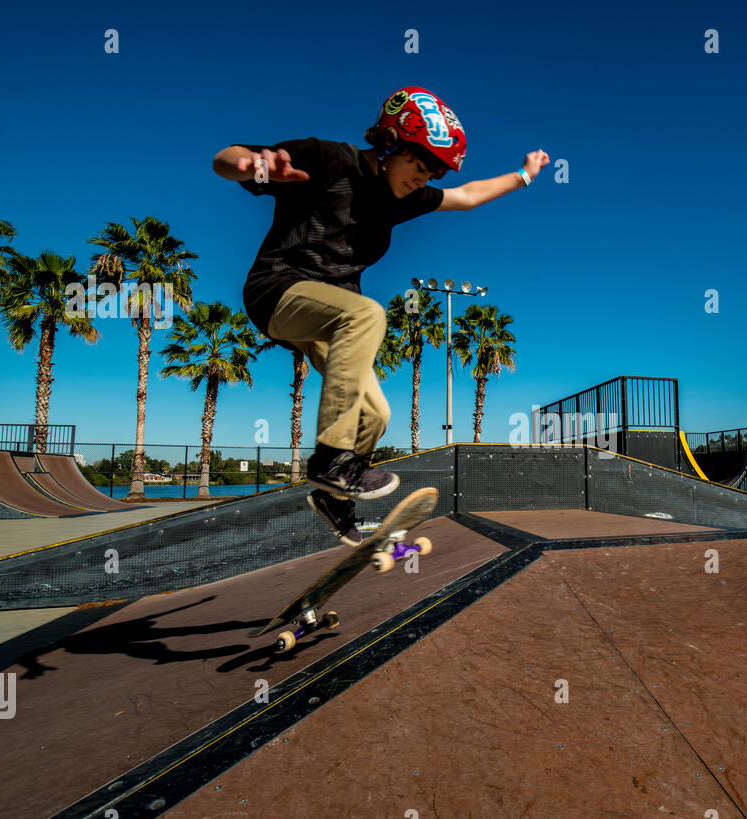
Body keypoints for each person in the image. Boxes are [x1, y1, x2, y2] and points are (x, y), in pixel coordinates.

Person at [213, 87, 549, 544]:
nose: (422, 178)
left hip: (333, 317)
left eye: (433, 171)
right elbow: (225, 158)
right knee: (367, 314)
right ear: (390, 143)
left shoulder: (407, 198)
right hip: (278, 291)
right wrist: (256, 165)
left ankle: (334, 496)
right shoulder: (330, 159)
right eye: (418, 164)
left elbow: (467, 196)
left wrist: (525, 176)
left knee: (376, 412)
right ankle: (329, 461)